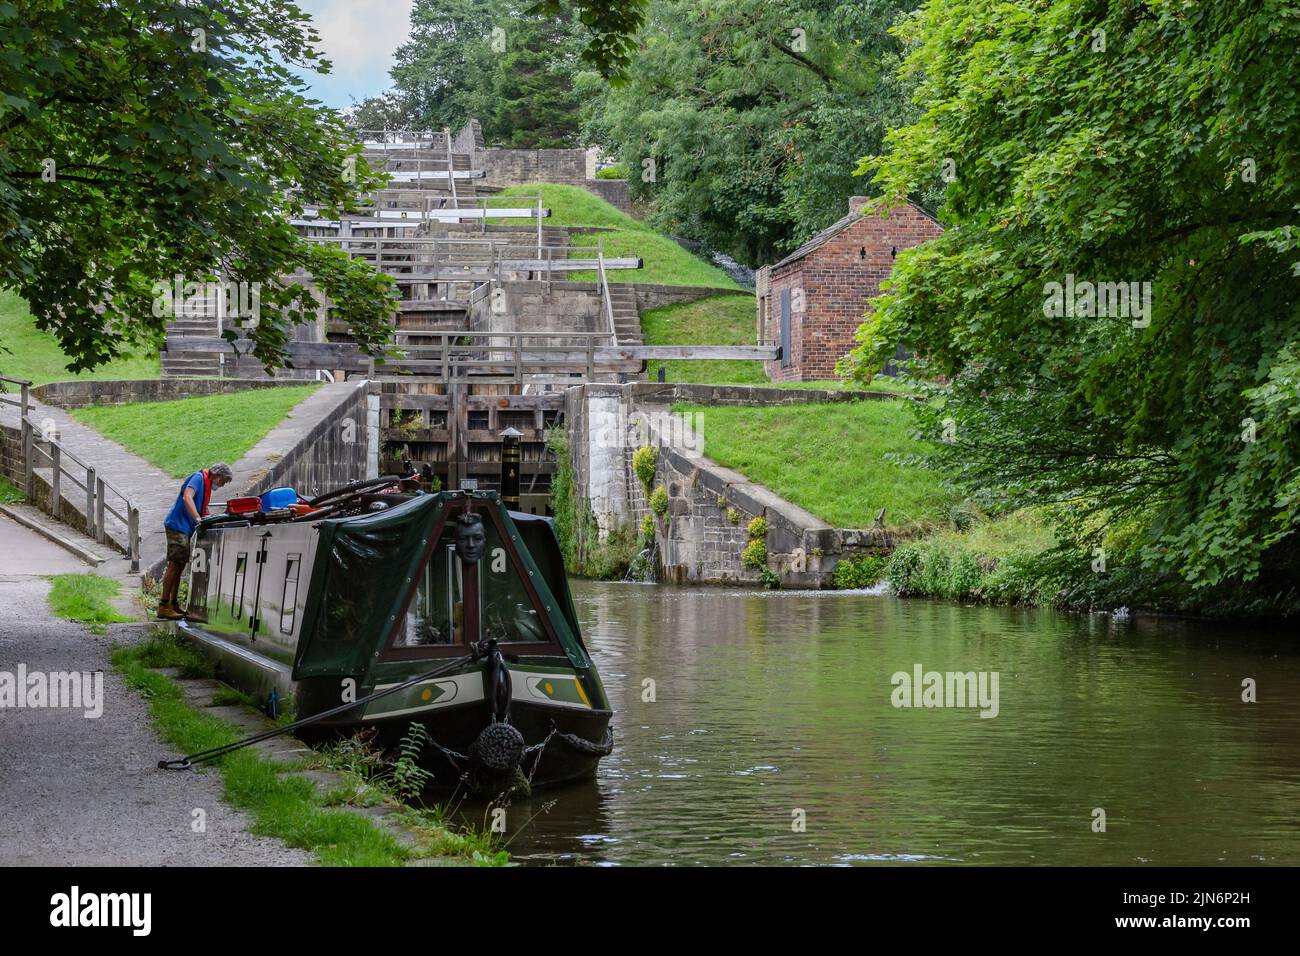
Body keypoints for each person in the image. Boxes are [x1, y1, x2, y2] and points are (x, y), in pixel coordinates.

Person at [157, 462, 233, 620]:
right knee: (174, 565)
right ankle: (164, 605)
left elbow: (202, 508)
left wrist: (210, 519)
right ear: (217, 475)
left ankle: (173, 603)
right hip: (178, 525)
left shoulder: (205, 485)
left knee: (180, 566)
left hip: (184, 528)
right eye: (223, 481)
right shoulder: (198, 478)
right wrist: (198, 519)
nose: (222, 485)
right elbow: (187, 497)